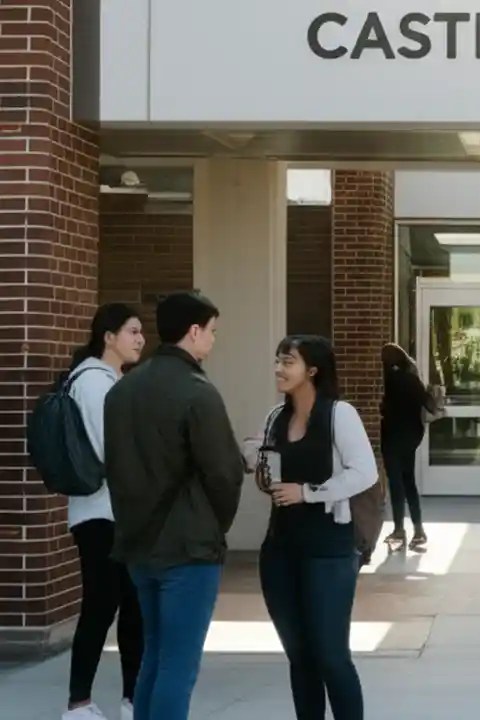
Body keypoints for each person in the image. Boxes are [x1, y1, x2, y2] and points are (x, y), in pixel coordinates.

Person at [104, 291, 245, 720]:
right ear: (194, 331)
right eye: (213, 331)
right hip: (188, 548)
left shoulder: (122, 391)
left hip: (137, 543)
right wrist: (214, 527)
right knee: (178, 666)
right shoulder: (198, 392)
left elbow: (115, 467)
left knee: (155, 657)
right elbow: (225, 474)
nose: (214, 341)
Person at [257, 335, 377, 720]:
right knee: (300, 655)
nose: (279, 368)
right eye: (277, 360)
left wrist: (308, 493)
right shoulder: (275, 417)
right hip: (280, 548)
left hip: (328, 549)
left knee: (330, 655)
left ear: (312, 370)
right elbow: (272, 480)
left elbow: (365, 473)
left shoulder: (339, 414)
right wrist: (258, 467)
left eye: (287, 362)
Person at [62, 304, 146, 720]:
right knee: (101, 606)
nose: (140, 339)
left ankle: (132, 699)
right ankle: (79, 702)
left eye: (141, 331)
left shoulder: (110, 380)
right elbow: (109, 451)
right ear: (108, 337)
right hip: (102, 513)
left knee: (131, 605)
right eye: (132, 331)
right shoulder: (95, 383)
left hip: (115, 511)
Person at [379, 343, 436, 552]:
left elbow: (387, 409)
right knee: (408, 481)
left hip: (392, 438)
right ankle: (419, 529)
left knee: (396, 485)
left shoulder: (390, 381)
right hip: (411, 438)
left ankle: (399, 529)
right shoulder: (412, 379)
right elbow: (427, 404)